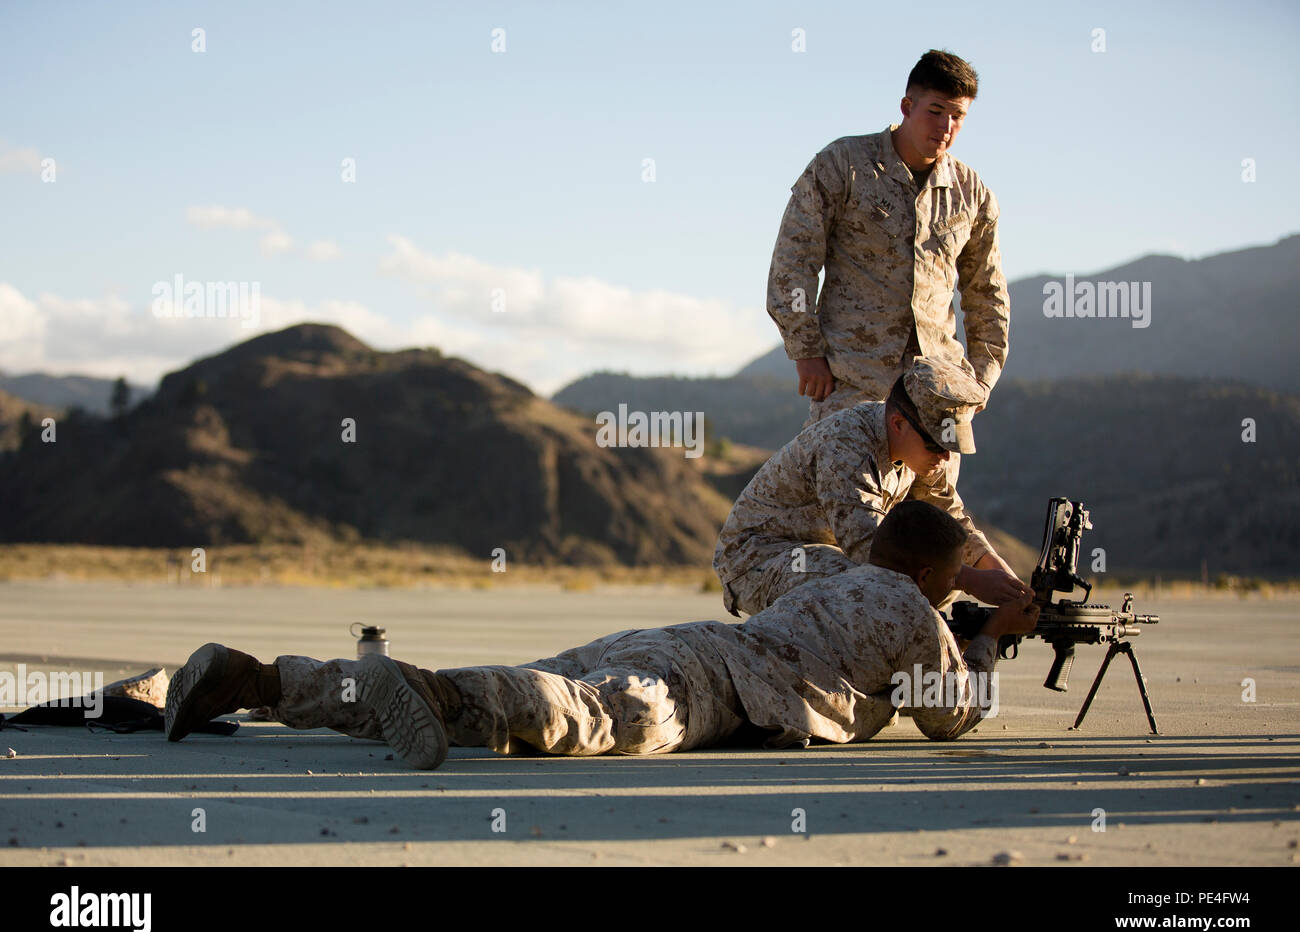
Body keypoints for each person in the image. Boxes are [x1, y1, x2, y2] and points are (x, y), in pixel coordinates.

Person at [165, 502, 1039, 770]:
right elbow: (946, 717)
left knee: (526, 681)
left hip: (687, 638)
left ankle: (261, 681)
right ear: (935, 577)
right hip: (722, 689)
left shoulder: (832, 570)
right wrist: (990, 638)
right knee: (593, 720)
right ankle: (425, 694)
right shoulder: (914, 612)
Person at [767, 48, 1010, 427]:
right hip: (852, 383)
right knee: (853, 484)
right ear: (907, 105)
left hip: (938, 390)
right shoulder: (842, 165)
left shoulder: (971, 193)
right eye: (935, 111)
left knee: (932, 489)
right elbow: (793, 262)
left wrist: (982, 377)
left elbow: (986, 292)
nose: (946, 126)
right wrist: (805, 350)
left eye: (958, 116)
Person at [713, 356, 1027, 616]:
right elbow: (870, 547)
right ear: (898, 423)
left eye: (951, 445)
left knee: (936, 584)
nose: (945, 456)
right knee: (867, 582)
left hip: (819, 553)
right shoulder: (846, 444)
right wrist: (969, 579)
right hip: (757, 560)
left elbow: (950, 518)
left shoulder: (920, 450)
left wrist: (995, 571)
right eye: (936, 444)